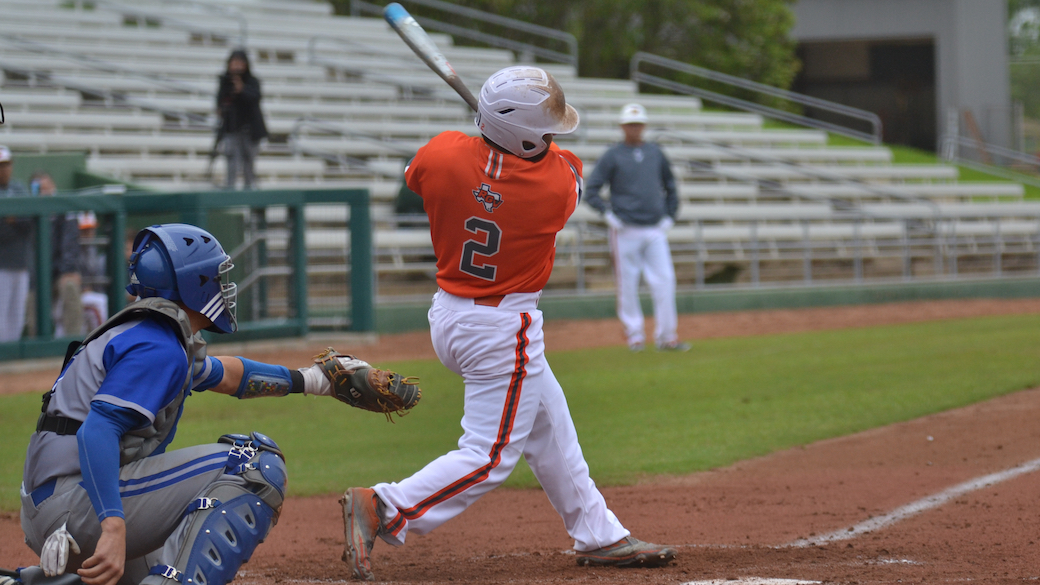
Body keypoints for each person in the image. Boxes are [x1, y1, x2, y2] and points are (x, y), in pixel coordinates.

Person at [339, 66, 677, 582]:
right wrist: (497, 147)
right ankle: (384, 506)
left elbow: (419, 175)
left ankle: (600, 534)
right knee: (490, 456)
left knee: (550, 427)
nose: (552, 137)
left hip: (451, 314)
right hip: (502, 328)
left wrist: (479, 145)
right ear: (521, 133)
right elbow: (566, 165)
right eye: (543, 130)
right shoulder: (553, 186)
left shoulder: (441, 152)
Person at [9, 223, 400, 585]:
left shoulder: (148, 332)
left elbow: (228, 376)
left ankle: (34, 581)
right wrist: (113, 526)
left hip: (59, 505)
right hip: (80, 503)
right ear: (191, 284)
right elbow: (97, 430)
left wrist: (314, 381)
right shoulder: (157, 347)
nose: (223, 286)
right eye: (215, 277)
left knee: (167, 558)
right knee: (253, 463)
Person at [585, 104, 689, 352]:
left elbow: (670, 186)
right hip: (625, 229)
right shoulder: (613, 154)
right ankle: (635, 335)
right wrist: (608, 214)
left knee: (665, 280)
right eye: (630, 124)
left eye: (639, 124)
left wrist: (670, 215)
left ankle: (667, 336)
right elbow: (591, 190)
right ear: (623, 127)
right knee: (628, 283)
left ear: (644, 126)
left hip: (654, 228)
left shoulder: (655, 152)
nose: (635, 128)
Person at [29, 171, 83, 338]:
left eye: (49, 187)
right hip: (36, 276)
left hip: (60, 271)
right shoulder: (27, 214)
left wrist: (68, 270)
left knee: (69, 286)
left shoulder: (65, 210)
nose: (46, 192)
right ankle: (35, 345)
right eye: (41, 189)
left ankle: (72, 342)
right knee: (31, 301)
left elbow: (70, 243)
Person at [216, 49, 267, 190]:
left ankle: (249, 192)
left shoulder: (252, 81)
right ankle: (230, 191)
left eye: (240, 63)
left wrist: (242, 89)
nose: (237, 66)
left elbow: (255, 98)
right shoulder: (225, 81)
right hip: (231, 129)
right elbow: (220, 103)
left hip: (249, 131)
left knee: (248, 165)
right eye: (234, 62)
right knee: (231, 162)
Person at [0, 145, 33, 343]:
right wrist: (12, 222)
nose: (4, 169)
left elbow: (29, 221)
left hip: (21, 262)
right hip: (1, 264)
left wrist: (12, 220)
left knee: (17, 317)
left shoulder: (19, 188)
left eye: (6, 165)